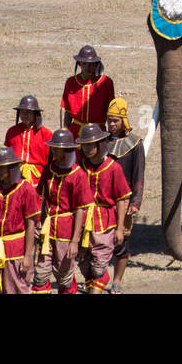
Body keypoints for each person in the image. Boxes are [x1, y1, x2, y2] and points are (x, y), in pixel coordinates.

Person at [74, 123, 131, 294]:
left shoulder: (113, 167)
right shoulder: (79, 167)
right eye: (85, 145)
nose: (87, 148)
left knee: (99, 265)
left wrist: (120, 228)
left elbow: (122, 199)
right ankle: (98, 282)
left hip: (105, 222)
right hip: (83, 222)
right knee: (84, 263)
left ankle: (98, 284)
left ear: (100, 144)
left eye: (91, 144)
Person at [32, 129, 88, 294]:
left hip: (66, 230)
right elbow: (44, 201)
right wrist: (39, 224)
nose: (54, 151)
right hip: (47, 229)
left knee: (64, 276)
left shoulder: (78, 175)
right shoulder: (48, 170)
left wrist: (75, 240)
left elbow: (80, 209)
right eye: (53, 148)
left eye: (58, 148)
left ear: (67, 149)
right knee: (41, 273)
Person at [0, 146, 38, 294]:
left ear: (12, 168)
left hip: (17, 251)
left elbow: (31, 225)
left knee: (17, 289)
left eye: (3, 168)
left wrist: (27, 256)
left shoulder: (26, 190)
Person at [106, 99, 144, 293]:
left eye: (115, 121)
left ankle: (117, 280)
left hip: (125, 201)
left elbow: (138, 176)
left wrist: (135, 202)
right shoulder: (101, 142)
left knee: (121, 243)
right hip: (103, 200)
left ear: (123, 120)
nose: (111, 124)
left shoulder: (135, 144)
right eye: (109, 120)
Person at [60, 46, 116, 137]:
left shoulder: (106, 83)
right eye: (84, 64)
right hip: (76, 132)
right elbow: (68, 111)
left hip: (98, 131)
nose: (87, 68)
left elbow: (110, 111)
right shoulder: (71, 82)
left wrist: (111, 133)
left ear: (96, 64)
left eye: (91, 64)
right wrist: (65, 132)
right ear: (79, 64)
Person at [4, 95, 52, 185]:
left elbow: (51, 161)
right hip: (15, 177)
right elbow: (5, 157)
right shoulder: (12, 132)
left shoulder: (46, 134)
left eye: (28, 112)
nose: (24, 115)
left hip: (38, 179)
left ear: (35, 114)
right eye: (22, 112)